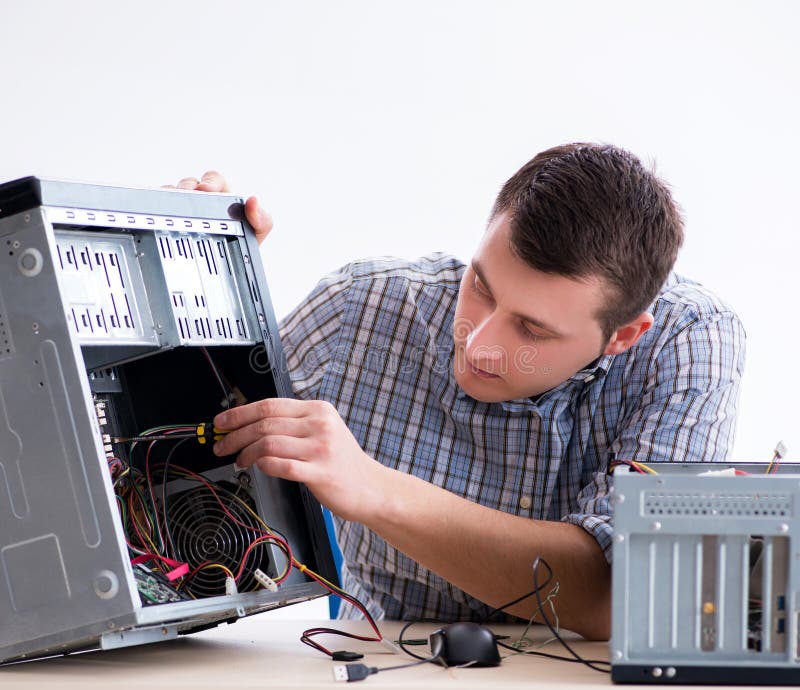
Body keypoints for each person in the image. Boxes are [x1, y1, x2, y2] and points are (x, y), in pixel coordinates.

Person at [177, 143, 745, 640]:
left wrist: (377, 490)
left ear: (622, 336)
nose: (478, 346)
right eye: (481, 286)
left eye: (533, 329)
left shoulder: (690, 343)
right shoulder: (364, 308)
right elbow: (170, 450)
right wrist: (195, 284)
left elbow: (621, 597)